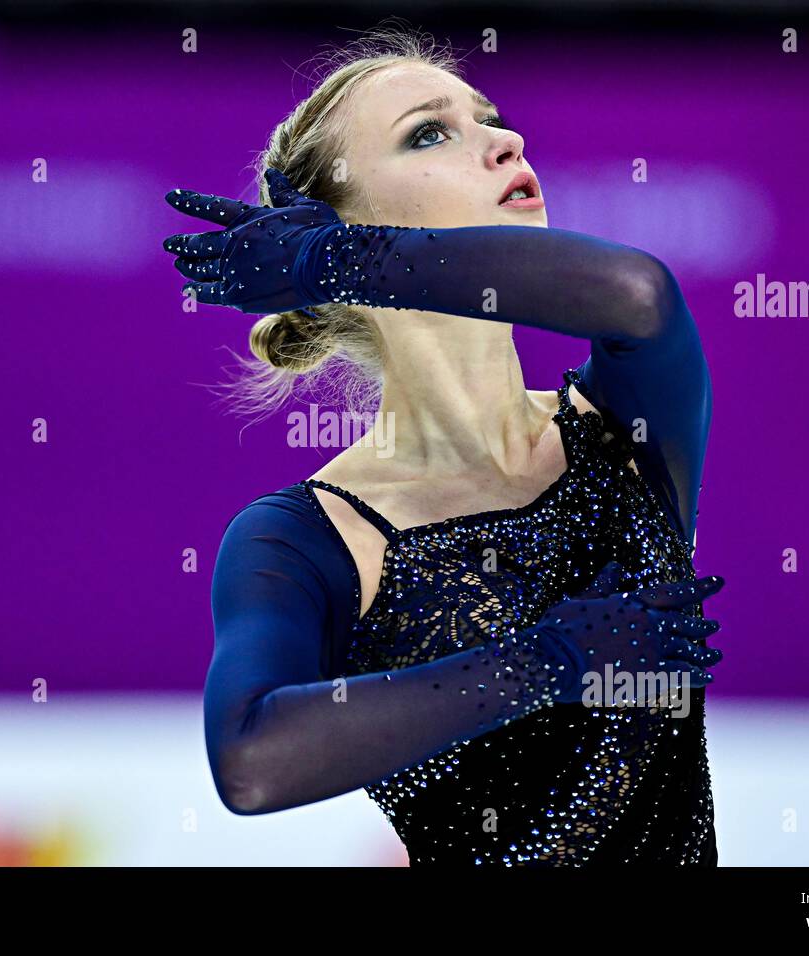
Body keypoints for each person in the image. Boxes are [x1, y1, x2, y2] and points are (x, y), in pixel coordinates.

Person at [163, 28, 727, 866]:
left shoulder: (624, 428)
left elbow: (639, 296)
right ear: (346, 212)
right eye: (432, 132)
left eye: (490, 119)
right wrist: (542, 663)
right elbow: (250, 761)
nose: (507, 141)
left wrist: (335, 257)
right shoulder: (309, 538)